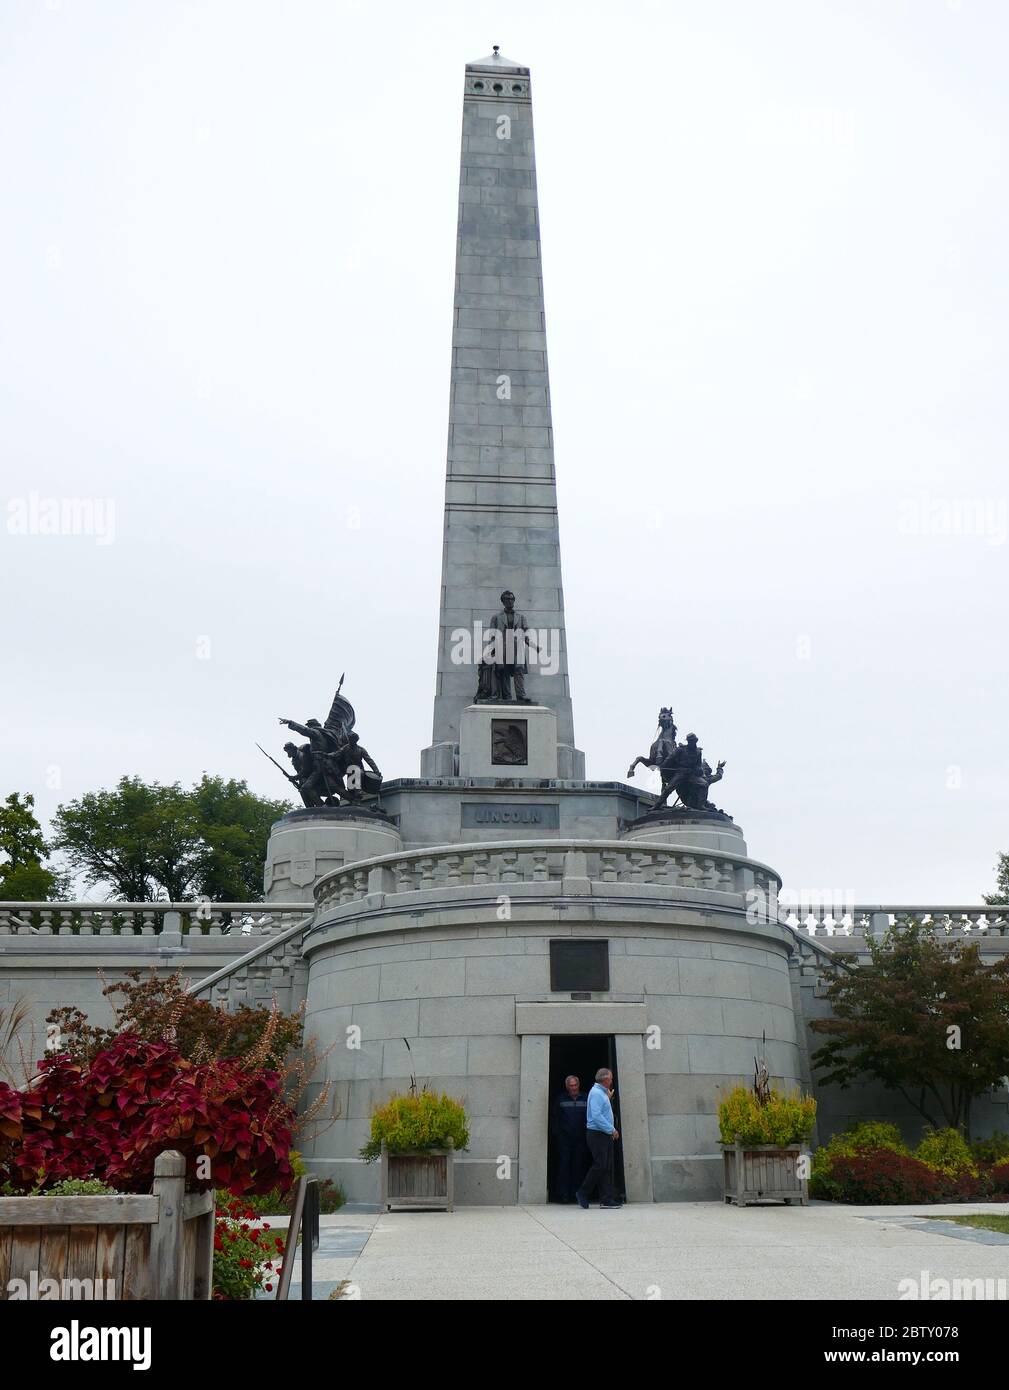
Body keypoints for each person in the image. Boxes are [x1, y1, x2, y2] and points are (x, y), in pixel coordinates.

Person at [576, 1067, 622, 1209]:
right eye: (611, 1078)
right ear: (606, 1080)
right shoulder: (596, 1093)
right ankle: (582, 1192)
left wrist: (608, 1099)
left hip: (603, 1134)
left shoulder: (601, 1093)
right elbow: (596, 1116)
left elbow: (601, 1110)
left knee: (605, 1166)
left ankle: (606, 1199)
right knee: (601, 1165)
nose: (612, 1081)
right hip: (597, 1134)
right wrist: (611, 1129)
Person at [550, 1075, 588, 1203]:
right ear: (567, 1087)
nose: (574, 1088)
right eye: (571, 1086)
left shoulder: (586, 1098)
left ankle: (577, 1193)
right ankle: (563, 1194)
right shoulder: (560, 1099)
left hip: (581, 1139)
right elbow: (555, 1119)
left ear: (578, 1085)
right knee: (564, 1166)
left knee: (579, 1166)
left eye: (575, 1085)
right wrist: (558, 1135)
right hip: (564, 1140)